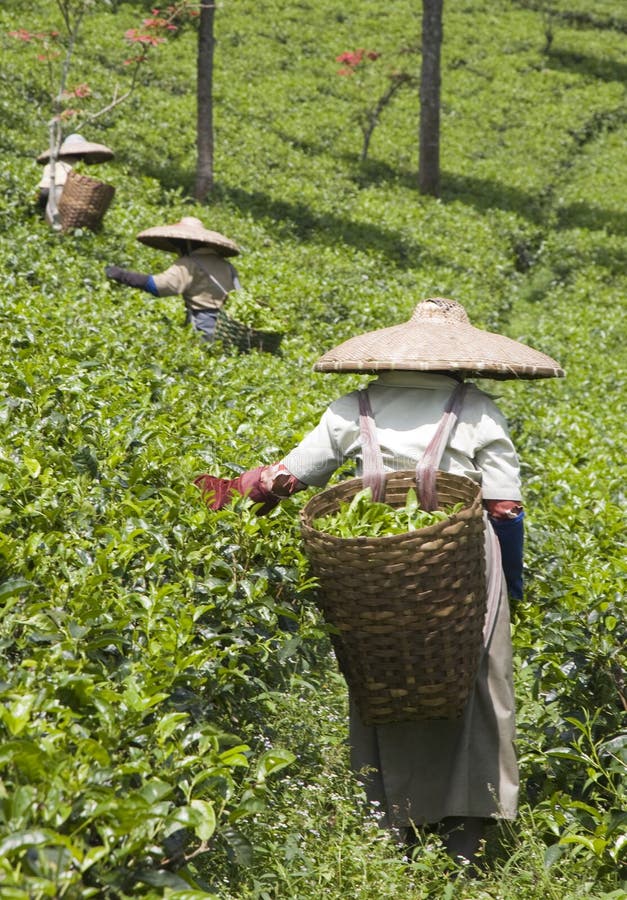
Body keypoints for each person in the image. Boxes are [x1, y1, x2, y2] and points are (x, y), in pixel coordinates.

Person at [194, 297, 564, 866]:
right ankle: (469, 834)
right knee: (477, 685)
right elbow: (506, 509)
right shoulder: (479, 410)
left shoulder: (353, 407)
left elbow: (290, 477)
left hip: (376, 564)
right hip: (463, 561)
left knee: (388, 676)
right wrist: (511, 586)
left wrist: (236, 490)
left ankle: (395, 820)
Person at [105, 217, 241, 341]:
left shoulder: (190, 263)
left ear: (186, 243)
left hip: (204, 322)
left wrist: (122, 275)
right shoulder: (225, 264)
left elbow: (159, 286)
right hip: (229, 324)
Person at [36, 132, 114, 214]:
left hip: (43, 192)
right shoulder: (77, 164)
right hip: (60, 190)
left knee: (48, 218)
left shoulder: (51, 163)